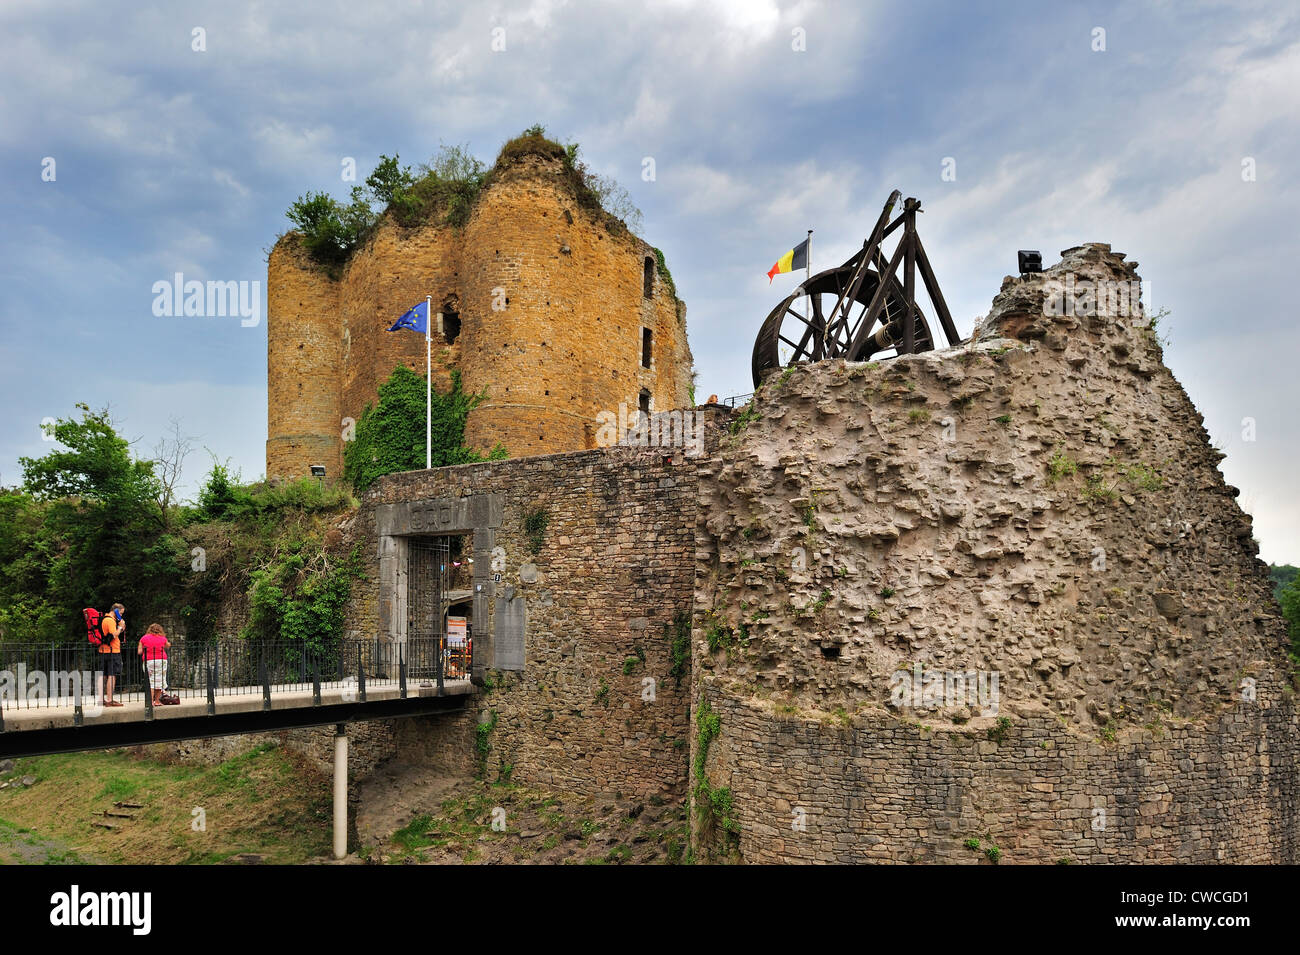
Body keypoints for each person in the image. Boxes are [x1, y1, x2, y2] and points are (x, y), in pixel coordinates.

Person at [98, 603, 125, 707]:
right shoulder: (110, 620)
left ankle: (101, 699)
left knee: (103, 675)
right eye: (121, 613)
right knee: (112, 675)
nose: (121, 616)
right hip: (112, 651)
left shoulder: (104, 619)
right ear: (116, 611)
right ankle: (109, 699)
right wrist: (120, 627)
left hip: (103, 651)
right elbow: (113, 634)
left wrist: (121, 627)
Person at [137, 624, 171, 706]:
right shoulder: (163, 638)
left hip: (149, 661)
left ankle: (150, 701)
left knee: (151, 681)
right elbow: (168, 646)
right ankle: (157, 701)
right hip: (161, 660)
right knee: (160, 680)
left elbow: (139, 652)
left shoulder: (143, 638)